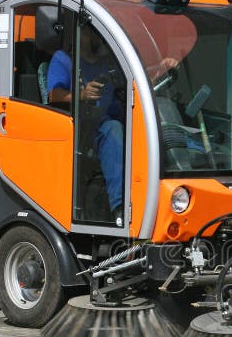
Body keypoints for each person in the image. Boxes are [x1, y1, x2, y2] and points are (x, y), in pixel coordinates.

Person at [47, 25, 179, 220]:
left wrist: (160, 69)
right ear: (80, 33)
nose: (99, 36)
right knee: (114, 129)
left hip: (108, 118)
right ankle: (120, 207)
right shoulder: (64, 59)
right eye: (93, 31)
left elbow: (134, 84)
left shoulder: (109, 63)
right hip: (82, 128)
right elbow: (54, 94)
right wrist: (82, 94)